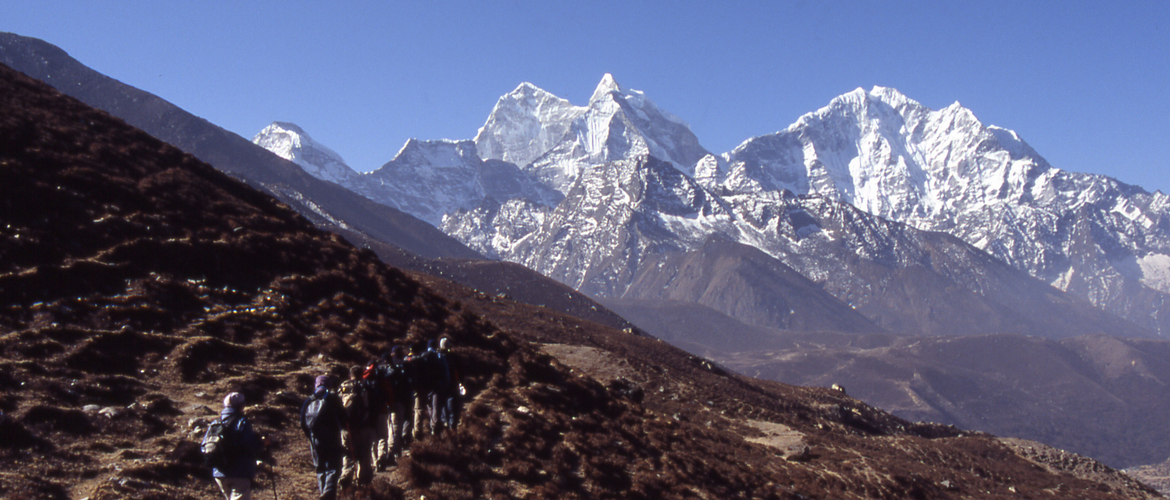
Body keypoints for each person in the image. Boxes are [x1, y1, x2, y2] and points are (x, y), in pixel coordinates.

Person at [206, 392, 264, 500]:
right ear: (242, 406)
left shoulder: (215, 423)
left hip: (219, 472)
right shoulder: (242, 422)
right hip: (239, 472)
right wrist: (262, 443)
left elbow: (204, 446)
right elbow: (250, 445)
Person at [301, 375, 345, 500]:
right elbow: (343, 417)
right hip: (332, 437)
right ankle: (328, 492)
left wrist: (310, 436)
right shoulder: (333, 398)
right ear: (329, 385)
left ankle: (323, 493)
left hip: (315, 438)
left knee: (320, 468)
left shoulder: (309, 400)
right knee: (334, 466)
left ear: (316, 385)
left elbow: (302, 422)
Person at [339, 366, 375, 487]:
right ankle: (363, 482)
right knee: (365, 453)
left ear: (350, 375)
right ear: (362, 375)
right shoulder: (365, 386)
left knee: (348, 453)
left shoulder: (343, 387)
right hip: (364, 426)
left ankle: (346, 476)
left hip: (347, 427)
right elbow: (372, 405)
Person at [435, 337, 462, 433]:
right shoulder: (453, 357)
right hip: (452, 385)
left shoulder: (436, 357)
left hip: (440, 386)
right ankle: (452, 426)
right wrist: (459, 382)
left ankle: (445, 425)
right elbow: (458, 371)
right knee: (451, 407)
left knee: (442, 406)